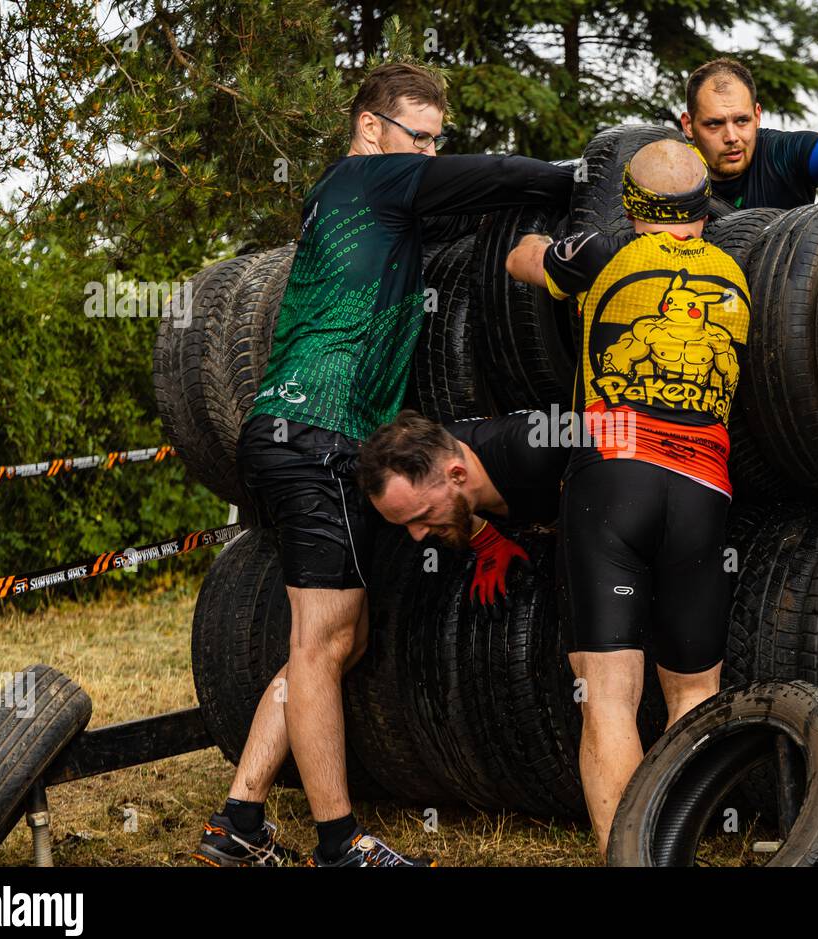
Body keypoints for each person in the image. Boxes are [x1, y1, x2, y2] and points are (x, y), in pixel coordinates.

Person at [193, 61, 573, 869]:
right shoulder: (373, 180)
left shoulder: (354, 202)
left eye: (439, 143)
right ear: (374, 130)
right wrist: (580, 174)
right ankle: (340, 844)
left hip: (291, 434)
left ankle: (239, 820)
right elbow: (500, 177)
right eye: (420, 139)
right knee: (324, 644)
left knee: (335, 642)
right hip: (318, 433)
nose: (430, 157)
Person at [504, 139, 750, 858]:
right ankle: (683, 850)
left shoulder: (604, 252)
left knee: (609, 689)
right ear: (703, 207)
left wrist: (535, 235)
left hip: (615, 475)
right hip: (705, 486)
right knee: (695, 691)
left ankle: (627, 857)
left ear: (632, 207)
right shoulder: (734, 273)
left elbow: (524, 261)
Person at [357, 409, 568, 619]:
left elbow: (599, 425)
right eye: (405, 523)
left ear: (457, 474)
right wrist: (486, 541)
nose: (416, 535)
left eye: (423, 515)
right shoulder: (438, 473)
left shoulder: (538, 445)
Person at [680, 56, 818, 210]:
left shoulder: (782, 154)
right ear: (689, 125)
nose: (732, 137)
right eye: (714, 124)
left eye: (742, 120)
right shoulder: (671, 171)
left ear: (757, 115)